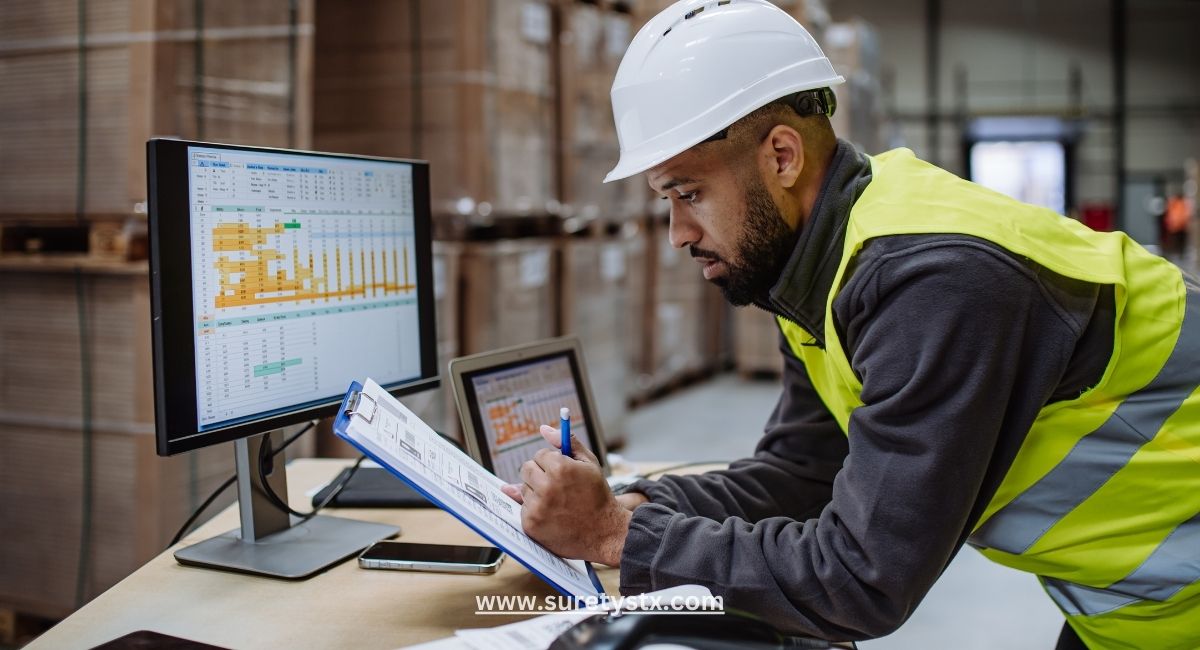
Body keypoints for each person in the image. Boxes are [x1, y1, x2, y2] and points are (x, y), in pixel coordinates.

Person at [499, 1, 1200, 647]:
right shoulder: (822, 267)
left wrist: (618, 535)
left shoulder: (934, 282)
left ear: (781, 156)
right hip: (1136, 610)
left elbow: (863, 577)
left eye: (689, 193)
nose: (678, 233)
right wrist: (640, 503)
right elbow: (805, 473)